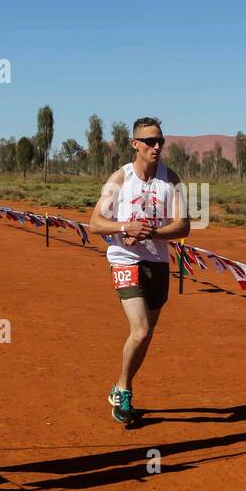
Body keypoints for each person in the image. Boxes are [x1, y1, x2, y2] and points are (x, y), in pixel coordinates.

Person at [88, 117, 190, 425]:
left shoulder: (171, 180)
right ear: (135, 144)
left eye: (160, 141)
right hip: (125, 259)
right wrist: (124, 226)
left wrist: (152, 233)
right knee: (141, 329)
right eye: (149, 141)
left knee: (146, 336)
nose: (156, 146)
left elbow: (184, 225)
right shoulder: (120, 179)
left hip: (157, 263)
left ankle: (119, 385)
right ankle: (125, 392)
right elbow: (94, 223)